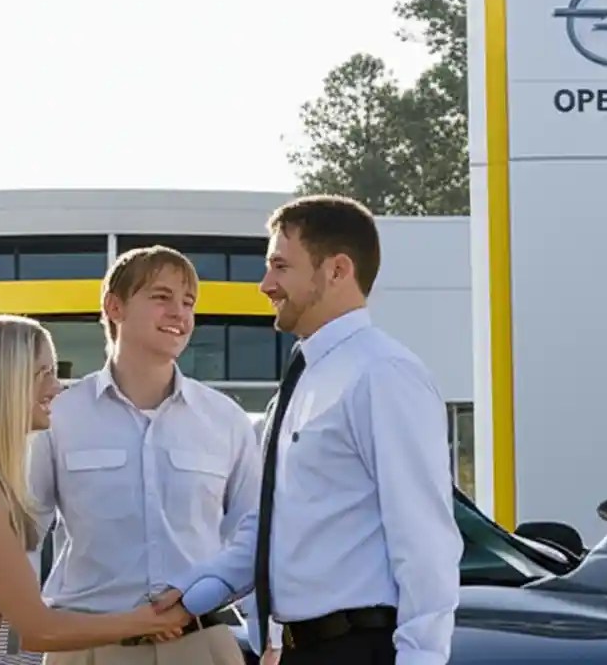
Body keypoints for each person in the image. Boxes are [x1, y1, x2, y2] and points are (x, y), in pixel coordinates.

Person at [158, 195, 463, 665]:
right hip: (302, 650)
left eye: (280, 266)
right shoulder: (301, 382)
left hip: (359, 650)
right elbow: (272, 526)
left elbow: (425, 541)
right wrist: (202, 589)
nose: (265, 285)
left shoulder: (383, 374)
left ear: (338, 270)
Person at [0, 313, 190, 665]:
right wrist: (150, 621)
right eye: (43, 373)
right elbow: (37, 629)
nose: (57, 387)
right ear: (4, 382)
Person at [28, 245, 261, 665]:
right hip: (89, 650)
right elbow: (24, 536)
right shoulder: (59, 416)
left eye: (188, 302)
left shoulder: (226, 419)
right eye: (161, 297)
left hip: (201, 645)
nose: (179, 313)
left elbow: (254, 533)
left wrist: (263, 634)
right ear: (114, 307)